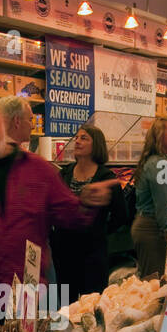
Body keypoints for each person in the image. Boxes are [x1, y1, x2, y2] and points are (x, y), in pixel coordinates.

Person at [0, 99, 112, 322]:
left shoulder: (39, 169)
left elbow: (69, 216)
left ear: (2, 122)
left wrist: (87, 203)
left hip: (31, 295)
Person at [51, 125, 119, 301]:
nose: (78, 141)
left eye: (84, 138)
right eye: (77, 138)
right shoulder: (64, 173)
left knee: (92, 305)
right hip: (64, 253)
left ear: (95, 145)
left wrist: (99, 229)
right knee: (65, 306)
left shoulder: (106, 177)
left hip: (93, 255)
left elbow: (121, 215)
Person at [130, 117, 167, 279]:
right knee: (154, 284)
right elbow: (162, 202)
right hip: (153, 230)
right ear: (159, 135)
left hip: (155, 228)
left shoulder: (160, 162)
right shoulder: (160, 164)